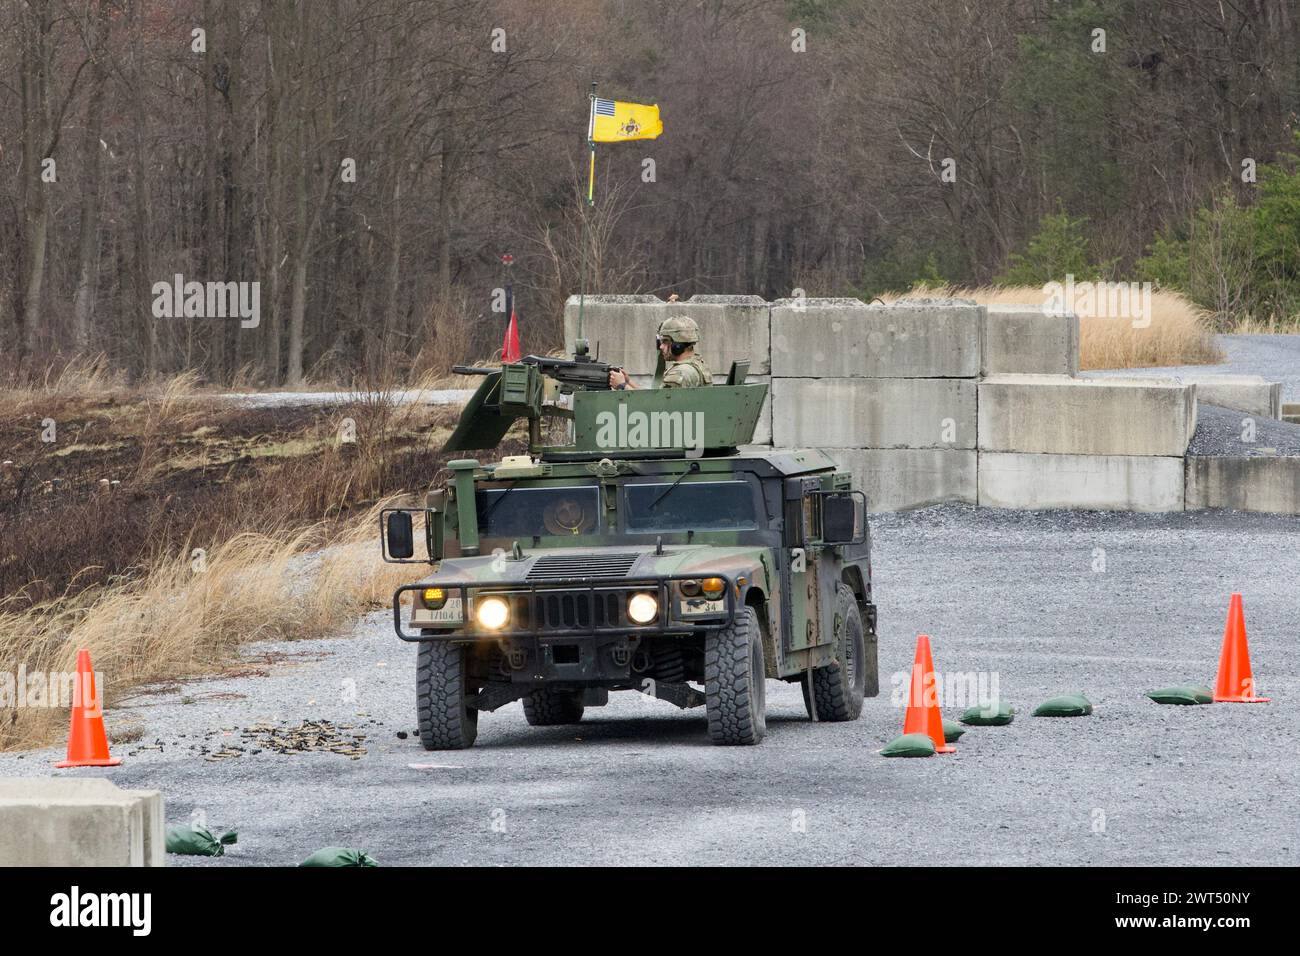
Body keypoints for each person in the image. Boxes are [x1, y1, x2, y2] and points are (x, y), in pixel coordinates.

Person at [608, 314, 713, 389]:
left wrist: (622, 386)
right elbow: (655, 398)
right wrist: (628, 382)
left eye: (665, 342)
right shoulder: (695, 364)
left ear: (678, 345)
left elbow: (657, 409)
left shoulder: (680, 374)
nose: (661, 347)